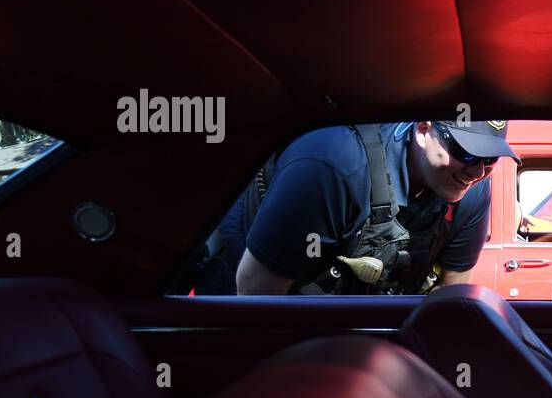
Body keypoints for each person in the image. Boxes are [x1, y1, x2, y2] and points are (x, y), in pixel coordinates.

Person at [197, 120, 516, 294]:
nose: (478, 171)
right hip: (253, 277)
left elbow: (450, 296)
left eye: (491, 158)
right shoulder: (336, 165)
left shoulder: (471, 190)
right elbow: (255, 293)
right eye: (469, 153)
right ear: (423, 128)